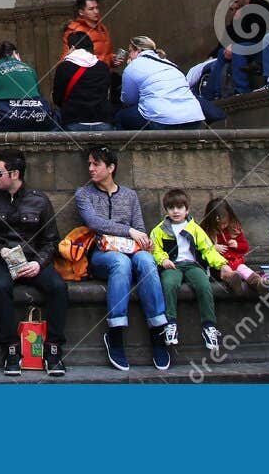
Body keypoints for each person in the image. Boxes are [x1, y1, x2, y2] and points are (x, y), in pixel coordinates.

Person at [73, 145, 171, 371]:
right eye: (89, 164)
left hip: (131, 251)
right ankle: (115, 333)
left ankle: (157, 331)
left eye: (95, 164)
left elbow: (139, 228)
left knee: (146, 261)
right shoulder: (83, 194)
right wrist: (128, 231)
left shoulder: (129, 195)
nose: (90, 168)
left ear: (111, 168)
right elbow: (94, 223)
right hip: (101, 255)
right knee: (120, 262)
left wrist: (144, 241)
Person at [0, 148, 68, 377]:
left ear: (14, 174)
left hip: (31, 260)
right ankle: (11, 349)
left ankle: (53, 349)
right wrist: (2, 251)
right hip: (0, 261)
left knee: (58, 287)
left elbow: (51, 241)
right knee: (0, 286)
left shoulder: (39, 201)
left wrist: (38, 263)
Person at [150, 188, 231, 355]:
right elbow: (155, 249)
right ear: (166, 210)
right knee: (169, 283)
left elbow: (208, 249)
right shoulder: (159, 230)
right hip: (172, 265)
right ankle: (170, 323)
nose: (175, 211)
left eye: (179, 207)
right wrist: (163, 260)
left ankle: (209, 326)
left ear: (187, 209)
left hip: (192, 265)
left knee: (203, 284)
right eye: (171, 208)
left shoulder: (194, 228)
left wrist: (221, 264)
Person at [115, 36, 220, 130]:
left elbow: (128, 100)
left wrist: (130, 67)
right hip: (194, 119)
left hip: (162, 121)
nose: (129, 56)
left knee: (120, 117)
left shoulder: (133, 66)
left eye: (130, 51)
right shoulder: (169, 63)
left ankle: (124, 151)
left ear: (137, 50)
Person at [0, 41, 55, 132]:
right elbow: (38, 94)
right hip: (37, 116)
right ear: (15, 53)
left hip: (4, 117)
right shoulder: (29, 68)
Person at [199, 197, 269, 294]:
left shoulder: (233, 229)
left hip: (235, 262)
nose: (222, 226)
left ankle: (259, 283)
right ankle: (235, 283)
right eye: (218, 224)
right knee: (228, 273)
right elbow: (201, 248)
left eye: (225, 223)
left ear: (229, 218)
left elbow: (245, 247)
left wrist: (237, 245)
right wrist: (213, 248)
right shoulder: (206, 232)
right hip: (219, 266)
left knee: (244, 270)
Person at [52, 29, 114, 129]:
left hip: (73, 122)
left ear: (72, 47)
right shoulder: (103, 67)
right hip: (103, 122)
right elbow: (107, 95)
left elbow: (57, 98)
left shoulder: (64, 67)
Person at [64, 0, 119, 69]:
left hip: (105, 75)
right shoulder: (74, 31)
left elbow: (106, 53)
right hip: (89, 77)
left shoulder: (102, 28)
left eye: (97, 8)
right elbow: (67, 58)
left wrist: (112, 59)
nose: (96, 11)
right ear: (81, 12)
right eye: (91, 9)